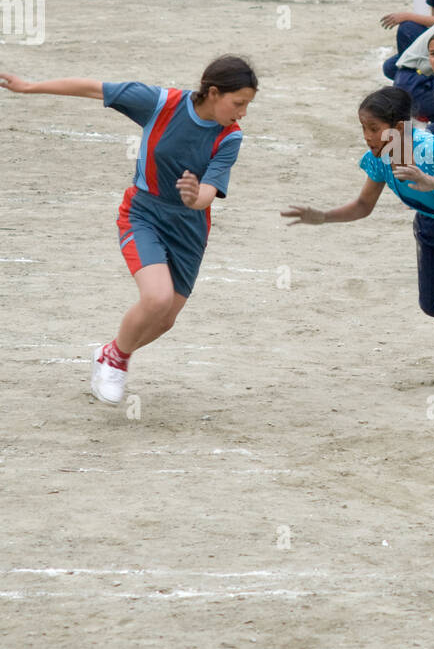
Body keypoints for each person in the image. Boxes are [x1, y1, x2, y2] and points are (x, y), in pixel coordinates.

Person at [0, 56, 256, 407]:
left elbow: (209, 192)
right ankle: (117, 361)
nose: (242, 113)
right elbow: (94, 88)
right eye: (238, 103)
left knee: (164, 321)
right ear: (213, 92)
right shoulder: (161, 103)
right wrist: (29, 86)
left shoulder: (230, 137)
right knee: (157, 298)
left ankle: (108, 352)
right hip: (143, 214)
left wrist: (196, 197)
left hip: (189, 229)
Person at [283, 84, 434, 386]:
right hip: (432, 229)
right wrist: (323, 217)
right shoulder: (378, 158)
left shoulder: (428, 148)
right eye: (363, 128)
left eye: (374, 128)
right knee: (432, 304)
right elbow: (363, 205)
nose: (367, 136)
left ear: (398, 127)